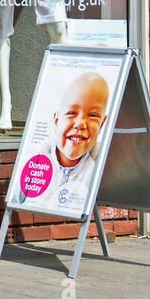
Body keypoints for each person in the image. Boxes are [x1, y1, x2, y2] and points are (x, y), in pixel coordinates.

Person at [17, 71, 109, 209]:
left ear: (102, 124)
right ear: (56, 120)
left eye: (92, 115)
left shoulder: (101, 164)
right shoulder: (36, 159)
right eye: (71, 113)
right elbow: (15, 197)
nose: (80, 124)